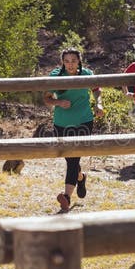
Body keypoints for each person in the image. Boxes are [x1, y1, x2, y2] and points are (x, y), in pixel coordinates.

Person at [43, 47, 104, 211]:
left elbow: (97, 90)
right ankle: (80, 177)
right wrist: (58, 103)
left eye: (73, 61)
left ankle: (67, 197)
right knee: (70, 159)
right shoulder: (56, 75)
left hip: (84, 121)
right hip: (61, 123)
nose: (70, 65)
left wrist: (98, 104)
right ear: (63, 62)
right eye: (67, 61)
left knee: (73, 157)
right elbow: (47, 98)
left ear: (79, 61)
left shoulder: (87, 74)